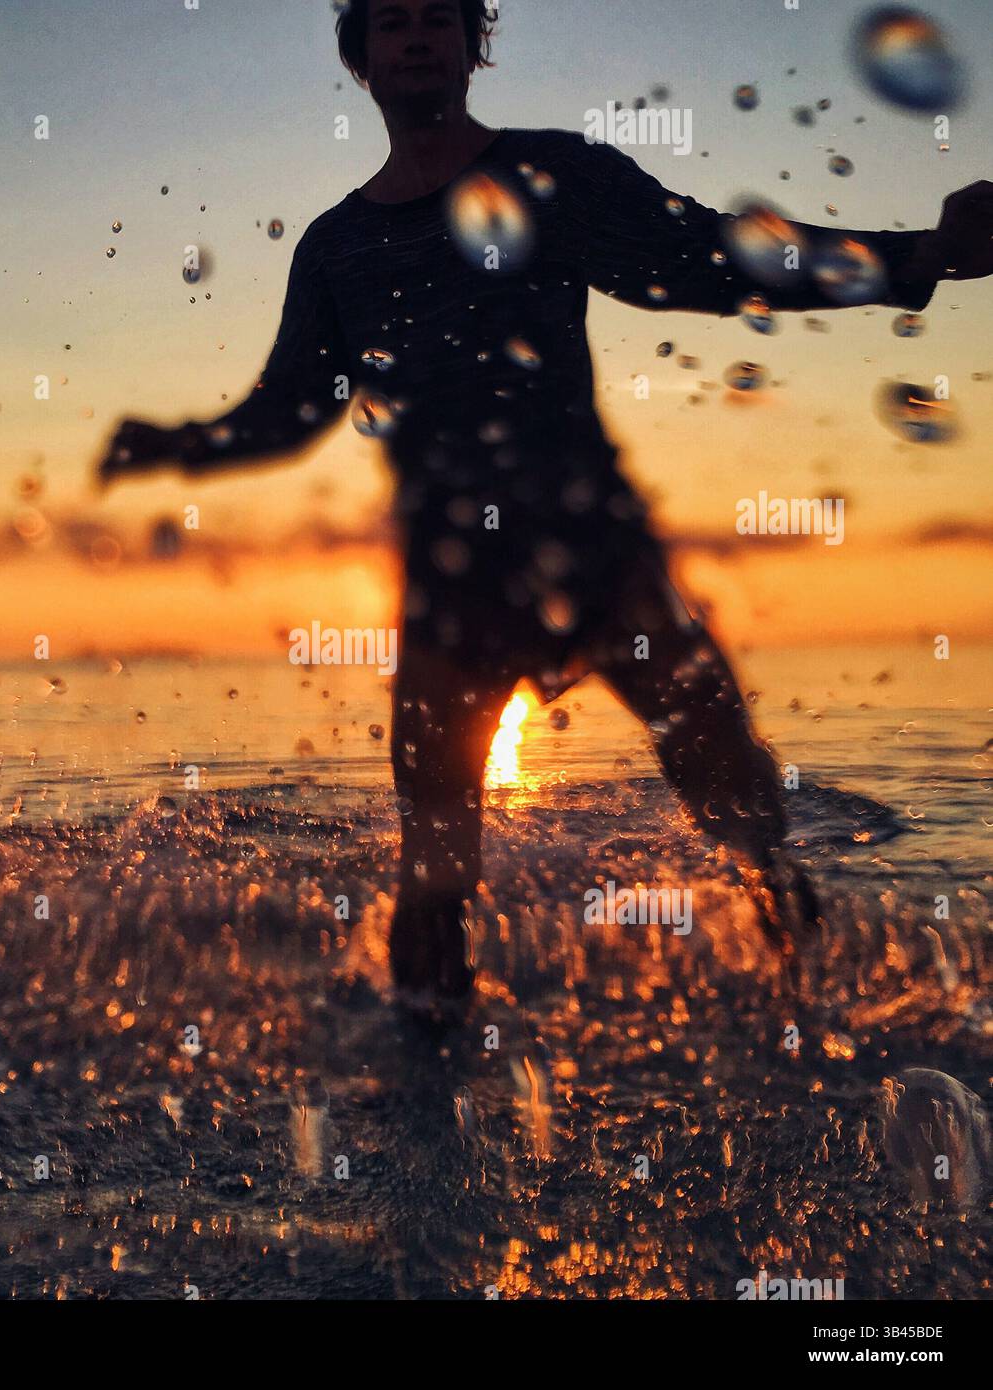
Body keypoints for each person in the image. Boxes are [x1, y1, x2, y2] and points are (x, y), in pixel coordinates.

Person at [100, 0, 993, 1008]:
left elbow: (704, 257)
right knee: (433, 869)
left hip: (596, 551)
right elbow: (293, 407)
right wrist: (180, 443)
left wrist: (916, 258)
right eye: (391, 22)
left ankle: (817, 1014)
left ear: (473, 44)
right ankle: (423, 1100)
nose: (417, 36)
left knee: (742, 806)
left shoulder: (551, 174)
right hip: (452, 578)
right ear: (360, 60)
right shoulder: (335, 245)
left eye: (438, 16)